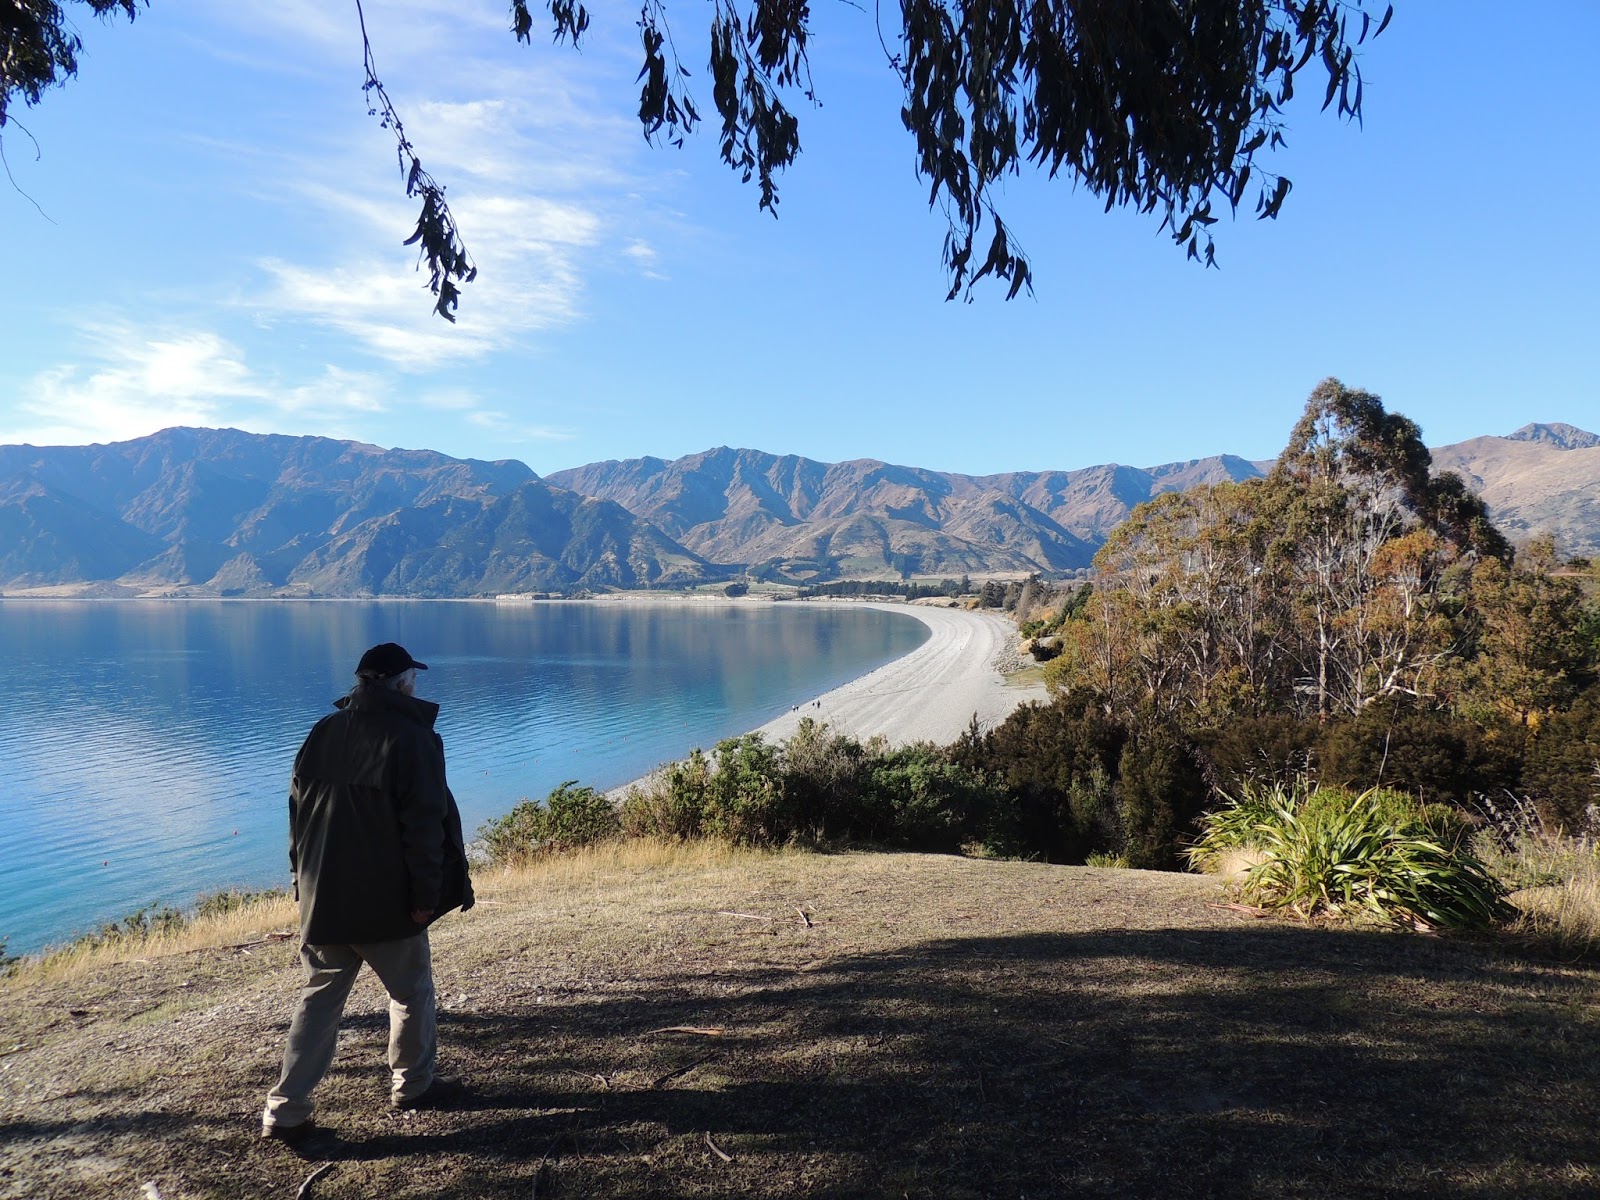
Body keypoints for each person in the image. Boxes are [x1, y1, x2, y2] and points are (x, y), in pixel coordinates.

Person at [261, 642, 475, 1143]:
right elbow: (425, 825)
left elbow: (297, 815)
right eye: (413, 680)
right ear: (401, 685)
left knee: (319, 1000)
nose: (417, 686)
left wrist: (300, 879)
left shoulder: (323, 732)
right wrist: (425, 897)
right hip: (385, 902)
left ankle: (286, 1110)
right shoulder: (413, 739)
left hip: (324, 900)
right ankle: (413, 1084)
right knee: (411, 992)